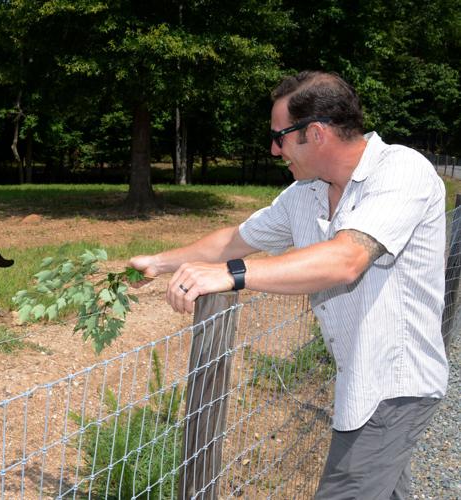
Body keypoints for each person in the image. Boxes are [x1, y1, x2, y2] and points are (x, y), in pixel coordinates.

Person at [129, 70, 448, 499]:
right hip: (359, 381)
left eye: (279, 137)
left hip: (393, 388)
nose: (274, 149)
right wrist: (158, 263)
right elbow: (235, 239)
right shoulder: (306, 192)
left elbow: (346, 259)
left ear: (315, 133)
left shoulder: (402, 171)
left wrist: (233, 274)